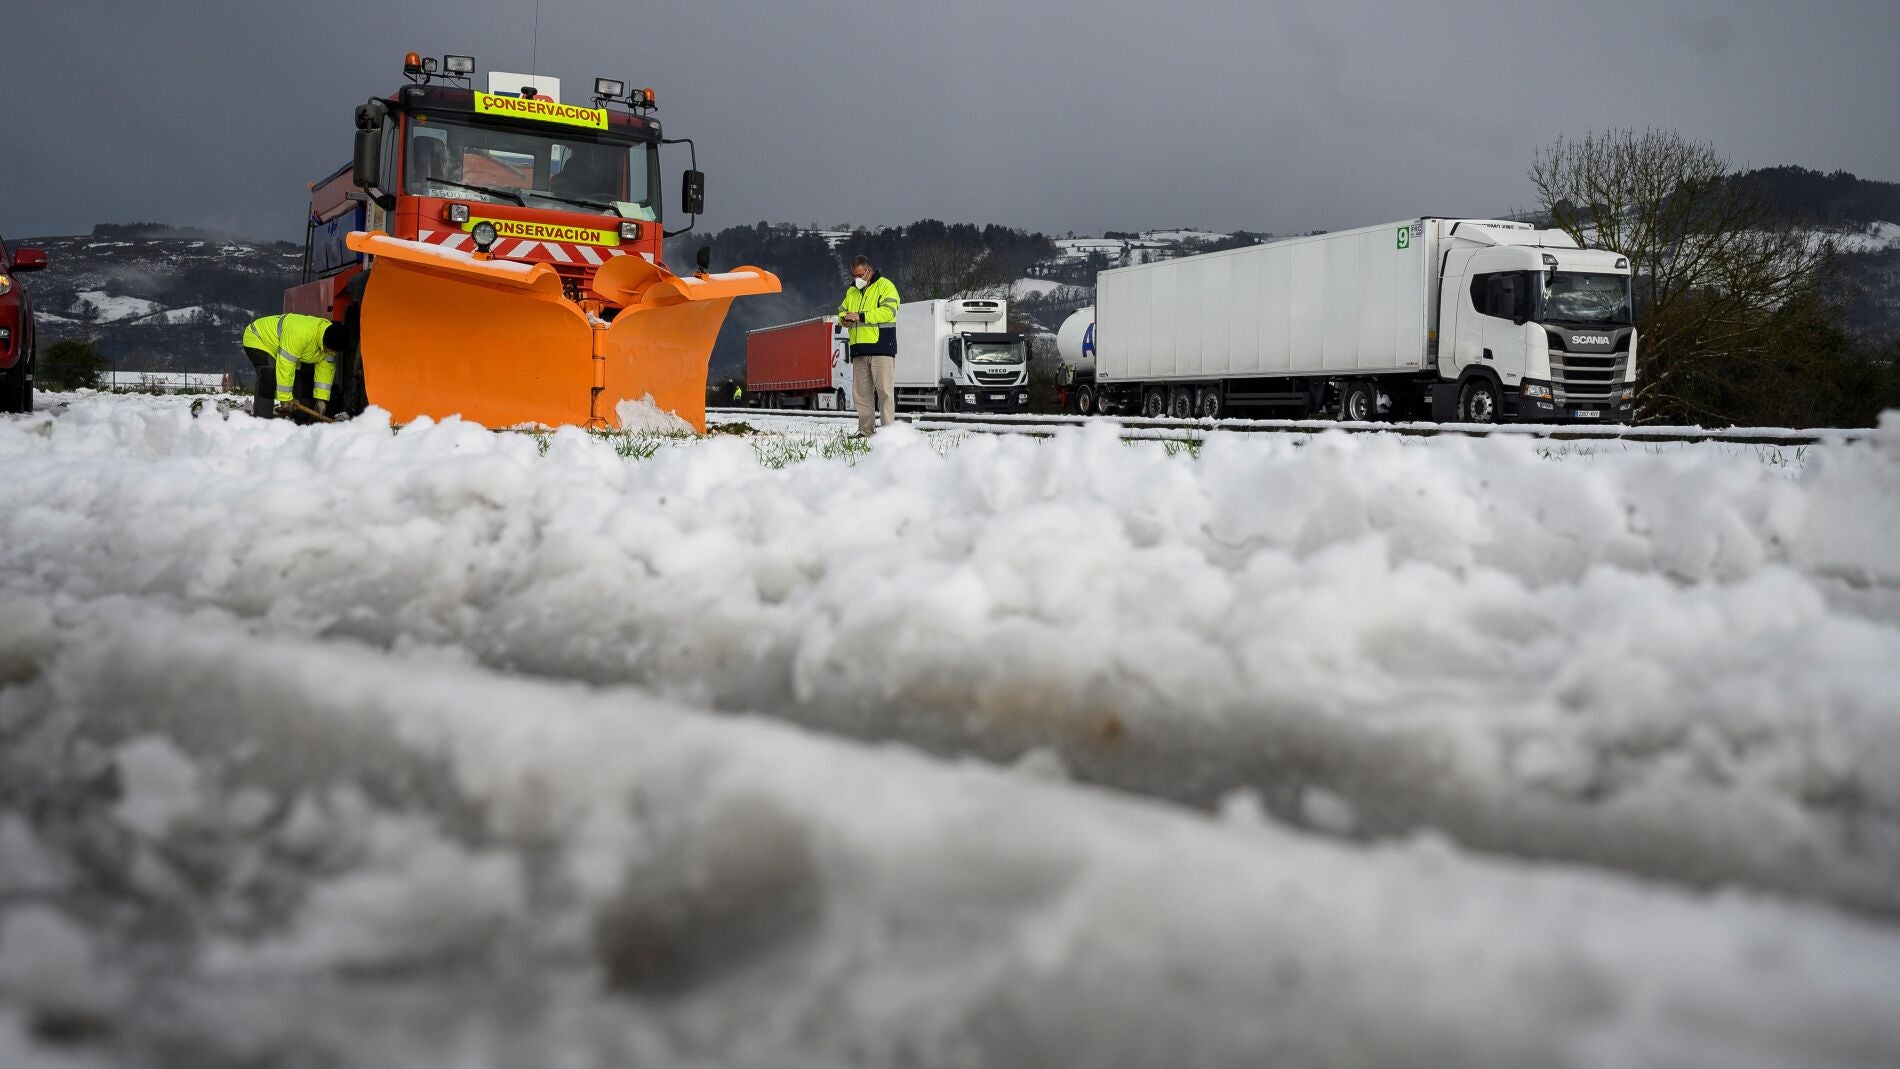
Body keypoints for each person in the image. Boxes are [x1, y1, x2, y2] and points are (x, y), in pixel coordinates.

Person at [240, 313, 345, 419]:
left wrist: (321, 400)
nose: (333, 354)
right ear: (325, 344)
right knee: (268, 375)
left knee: (302, 380)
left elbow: (325, 372)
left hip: (282, 348)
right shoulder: (300, 333)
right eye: (332, 351)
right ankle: (262, 418)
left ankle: (300, 420)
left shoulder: (330, 346)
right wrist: (285, 398)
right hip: (259, 338)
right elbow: (286, 364)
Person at [837, 255, 900, 434]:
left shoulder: (886, 286)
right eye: (854, 276)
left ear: (869, 270)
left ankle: (889, 432)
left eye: (860, 275)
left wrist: (860, 316)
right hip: (858, 350)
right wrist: (844, 320)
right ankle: (865, 431)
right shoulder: (852, 291)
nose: (857, 279)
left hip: (881, 348)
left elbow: (889, 312)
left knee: (885, 393)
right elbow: (841, 310)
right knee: (862, 395)